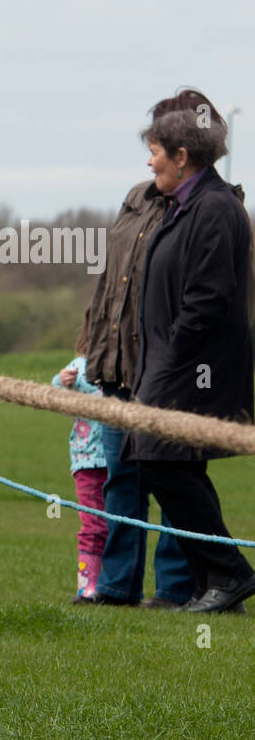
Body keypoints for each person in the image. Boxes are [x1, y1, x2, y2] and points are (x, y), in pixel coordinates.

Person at [126, 92, 255, 614]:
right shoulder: (186, 205)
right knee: (175, 465)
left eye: (155, 149)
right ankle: (216, 586)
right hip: (174, 363)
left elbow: (208, 297)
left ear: (182, 155)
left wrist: (173, 356)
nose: (149, 160)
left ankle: (230, 573)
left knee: (161, 460)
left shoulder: (217, 208)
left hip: (193, 368)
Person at [81, 93, 203, 609]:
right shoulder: (137, 197)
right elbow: (110, 283)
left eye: (158, 141)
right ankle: (116, 587)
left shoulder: (205, 207)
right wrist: (90, 352)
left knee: (174, 484)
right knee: (120, 482)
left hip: (169, 375)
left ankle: (175, 590)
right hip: (117, 372)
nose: (149, 155)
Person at [53, 332, 108, 603]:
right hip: (86, 461)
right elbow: (55, 389)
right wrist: (62, 381)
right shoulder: (80, 366)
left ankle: (111, 583)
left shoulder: (124, 367)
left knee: (115, 525)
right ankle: (87, 586)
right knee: (93, 526)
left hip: (116, 460)